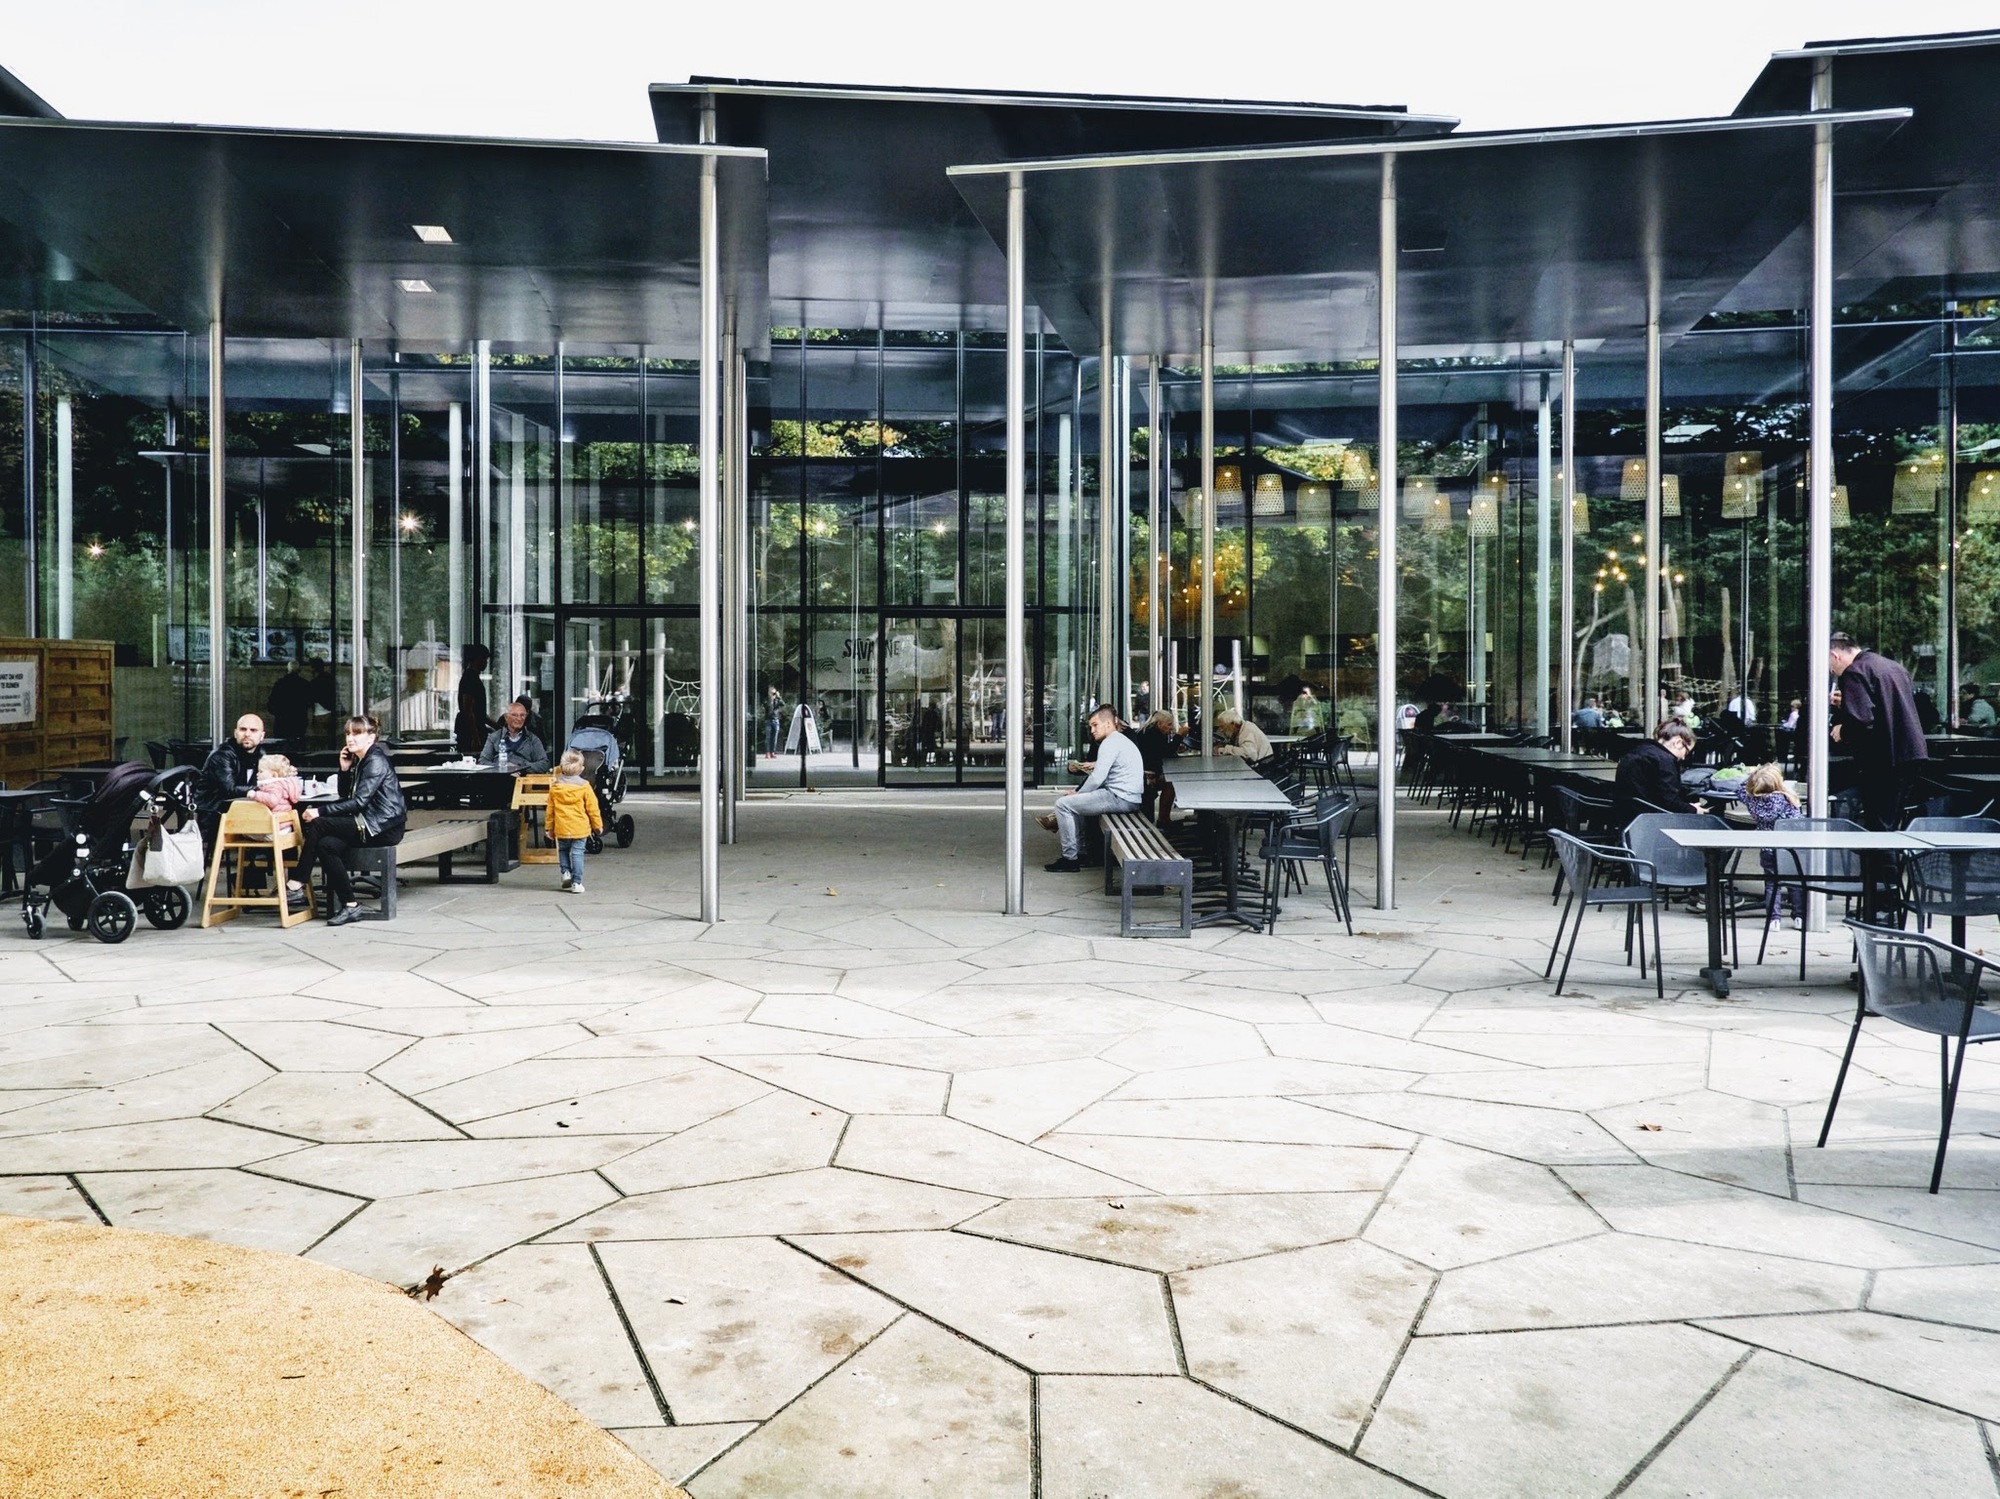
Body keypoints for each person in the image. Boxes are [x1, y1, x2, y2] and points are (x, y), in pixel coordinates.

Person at [290, 715, 406, 927]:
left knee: (318, 823)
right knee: (326, 845)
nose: (350, 738)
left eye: (357, 733)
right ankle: (351, 906)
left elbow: (359, 802)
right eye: (348, 733)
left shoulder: (375, 760)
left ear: (371, 737)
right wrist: (344, 770)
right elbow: (346, 794)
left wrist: (320, 811)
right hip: (367, 822)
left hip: (382, 826)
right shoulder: (362, 760)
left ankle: (297, 882)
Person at [1829, 632, 1931, 830]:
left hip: (1884, 759)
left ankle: (1884, 861)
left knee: (1879, 828)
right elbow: (1887, 708)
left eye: (1830, 666)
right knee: (1890, 823)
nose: (1832, 672)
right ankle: (1893, 859)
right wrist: (1850, 704)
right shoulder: (1893, 667)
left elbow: (1862, 722)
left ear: (1835, 656)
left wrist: (1843, 730)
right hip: (1910, 754)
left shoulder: (1855, 672)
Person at [1043, 704, 1144, 873]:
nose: (1092, 730)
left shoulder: (1110, 743)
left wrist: (1077, 793)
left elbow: (1097, 777)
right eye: (1091, 726)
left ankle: (1070, 859)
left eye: (1095, 725)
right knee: (1074, 805)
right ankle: (1080, 853)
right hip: (1126, 797)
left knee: (1063, 804)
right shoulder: (1119, 741)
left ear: (1109, 724)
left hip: (1120, 798)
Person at [195, 713, 265, 859]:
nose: (247, 734)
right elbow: (230, 790)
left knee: (284, 816)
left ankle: (276, 871)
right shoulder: (222, 756)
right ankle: (255, 867)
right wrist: (264, 789)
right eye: (243, 729)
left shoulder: (261, 755)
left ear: (262, 736)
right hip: (214, 813)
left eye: (253, 730)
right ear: (235, 733)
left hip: (240, 811)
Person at [1741, 762, 1803, 926]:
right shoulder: (1786, 799)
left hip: (1767, 848)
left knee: (1771, 884)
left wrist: (1751, 774)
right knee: (1794, 883)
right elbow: (1798, 820)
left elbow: (1741, 790)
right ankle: (1799, 917)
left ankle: (1773, 919)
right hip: (1789, 849)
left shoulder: (1752, 801)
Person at [1612, 720, 1706, 825]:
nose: (1683, 757)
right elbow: (1669, 801)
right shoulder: (1664, 760)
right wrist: (1693, 809)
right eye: (1686, 751)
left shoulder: (1640, 750)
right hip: (1652, 820)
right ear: (1678, 743)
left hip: (1630, 816)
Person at [547, 749, 603, 894]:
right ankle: (576, 882)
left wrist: (549, 828)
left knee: (564, 850)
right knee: (577, 853)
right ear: (582, 769)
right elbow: (593, 809)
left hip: (561, 827)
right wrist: (597, 825)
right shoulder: (585, 787)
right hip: (580, 827)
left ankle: (565, 872)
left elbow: (550, 810)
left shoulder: (555, 787)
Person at [479, 700, 551, 773]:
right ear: (506, 717)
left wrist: (520, 767)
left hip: (522, 780)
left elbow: (544, 764)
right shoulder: (494, 737)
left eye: (522, 715)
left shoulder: (532, 739)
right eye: (514, 715)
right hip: (499, 780)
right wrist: (503, 768)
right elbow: (482, 762)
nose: (519, 719)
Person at [455, 645, 493, 756]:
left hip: (473, 728)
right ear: (478, 658)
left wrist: (496, 726)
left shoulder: (472, 677)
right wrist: (475, 736)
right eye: (485, 659)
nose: (486, 663)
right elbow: (468, 709)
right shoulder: (470, 678)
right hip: (469, 732)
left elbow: (479, 713)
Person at [266, 660, 315, 744]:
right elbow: (310, 702)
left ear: (287, 670)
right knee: (297, 744)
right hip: (299, 719)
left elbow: (271, 703)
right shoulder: (305, 684)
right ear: (299, 670)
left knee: (281, 744)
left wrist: (278, 712)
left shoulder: (280, 684)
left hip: (282, 719)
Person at [764, 686, 784, 759]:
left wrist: (779, 697)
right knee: (768, 737)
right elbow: (766, 706)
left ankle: (773, 752)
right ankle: (767, 752)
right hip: (768, 720)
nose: (773, 694)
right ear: (769, 693)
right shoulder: (767, 700)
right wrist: (770, 700)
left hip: (775, 720)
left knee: (774, 738)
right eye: (772, 693)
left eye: (774, 693)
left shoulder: (777, 700)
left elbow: (783, 704)